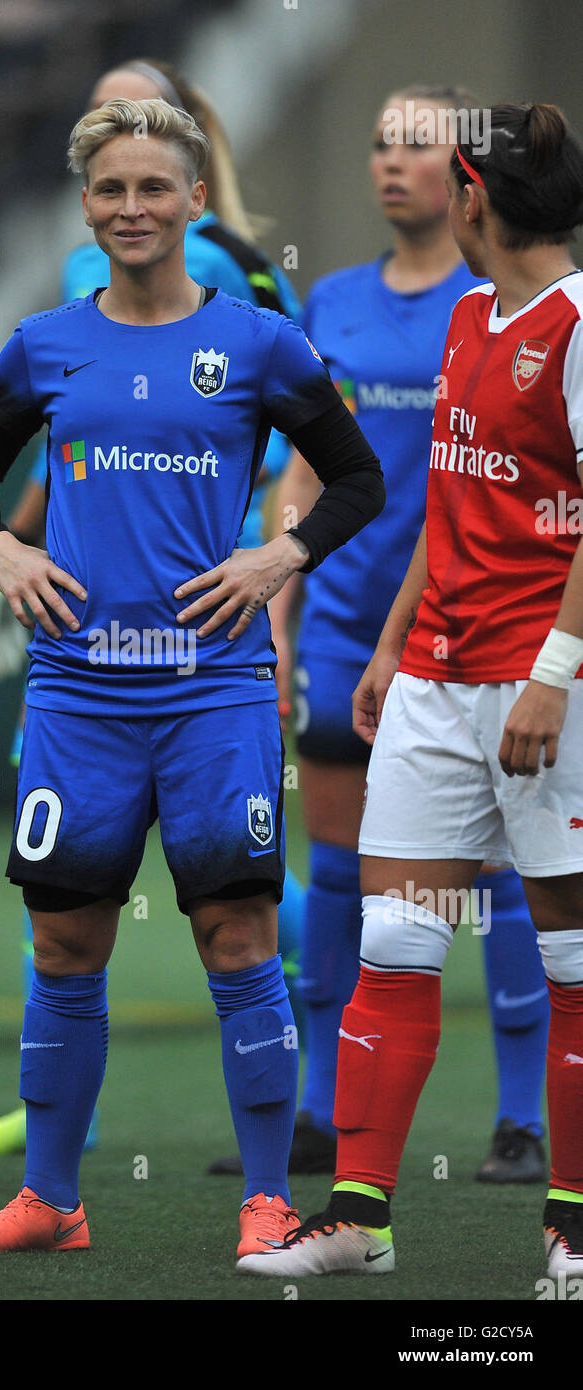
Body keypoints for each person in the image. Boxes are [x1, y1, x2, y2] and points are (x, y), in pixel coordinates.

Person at [0, 97, 383, 1259]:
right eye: (112, 189)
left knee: (237, 938)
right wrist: (2, 546)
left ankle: (270, 1199)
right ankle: (49, 1201)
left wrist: (280, 553)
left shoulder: (260, 341)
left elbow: (354, 479)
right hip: (78, 695)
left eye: (155, 187)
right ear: (86, 205)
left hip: (214, 692)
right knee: (64, 945)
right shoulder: (43, 344)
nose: (134, 207)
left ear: (194, 201)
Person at [237, 101, 583, 1278]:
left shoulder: (579, 323)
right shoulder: (472, 317)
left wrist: (551, 674)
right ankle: (359, 1222)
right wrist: (391, 644)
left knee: (570, 956)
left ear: (475, 195)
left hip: (543, 687)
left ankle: (569, 1235)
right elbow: (450, 500)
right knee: (396, 937)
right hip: (432, 676)